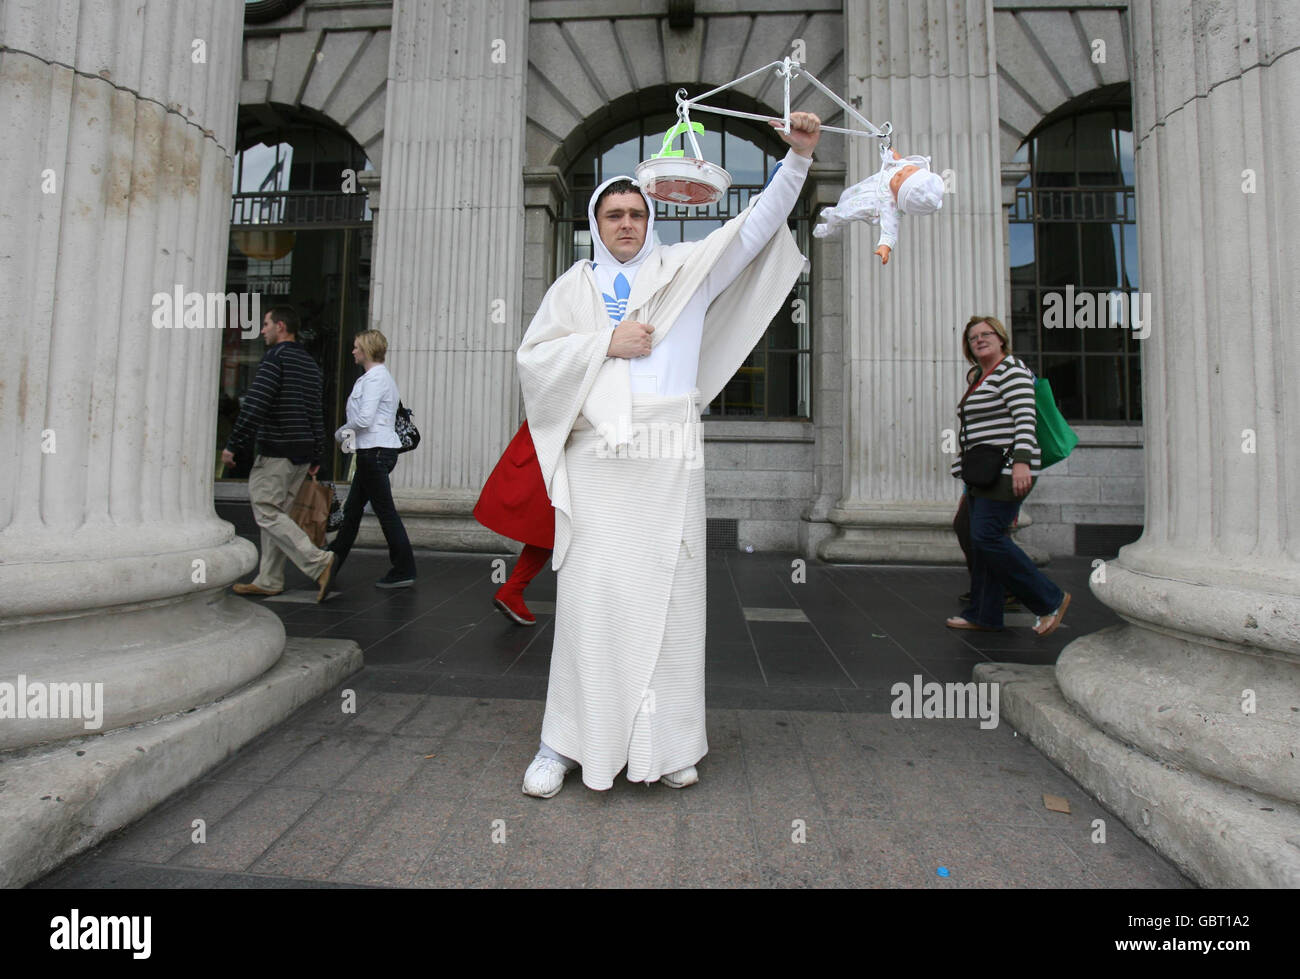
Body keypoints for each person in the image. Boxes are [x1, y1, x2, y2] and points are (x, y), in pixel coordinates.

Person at [516, 112, 822, 798]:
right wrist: (606, 344)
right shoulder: (573, 288)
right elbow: (533, 361)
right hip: (597, 460)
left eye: (635, 212)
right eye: (613, 213)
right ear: (596, 223)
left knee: (672, 600)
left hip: (669, 454)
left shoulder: (689, 271)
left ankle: (669, 743)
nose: (625, 222)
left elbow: (754, 227)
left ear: (649, 218)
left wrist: (797, 158)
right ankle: (562, 743)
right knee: (590, 601)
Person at [946, 315, 1070, 635]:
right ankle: (984, 613)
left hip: (1006, 469)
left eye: (987, 334)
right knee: (972, 531)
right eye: (973, 338)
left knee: (986, 536)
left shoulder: (1011, 371)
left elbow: (1025, 419)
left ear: (1001, 339)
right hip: (983, 471)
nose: (980, 340)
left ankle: (1049, 599)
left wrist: (1021, 463)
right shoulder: (980, 375)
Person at [223, 305, 335, 602]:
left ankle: (318, 560)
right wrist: (317, 454)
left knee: (266, 510)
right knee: (278, 513)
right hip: (301, 452)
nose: (262, 330)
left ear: (281, 326)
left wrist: (234, 443)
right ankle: (269, 579)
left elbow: (256, 403)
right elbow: (317, 412)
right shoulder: (310, 364)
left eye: (266, 324)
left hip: (277, 449)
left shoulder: (275, 358)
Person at [325, 329, 417, 590]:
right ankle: (331, 562)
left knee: (385, 513)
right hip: (372, 453)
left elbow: (364, 419)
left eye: (356, 347)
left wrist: (340, 434)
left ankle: (404, 568)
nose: (353, 351)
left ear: (365, 350)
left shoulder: (376, 379)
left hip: (374, 453)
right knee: (352, 512)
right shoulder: (374, 378)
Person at [473, 420, 553, 626]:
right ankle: (512, 589)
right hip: (558, 451)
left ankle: (513, 589)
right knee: (549, 527)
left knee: (548, 528)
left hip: (548, 445)